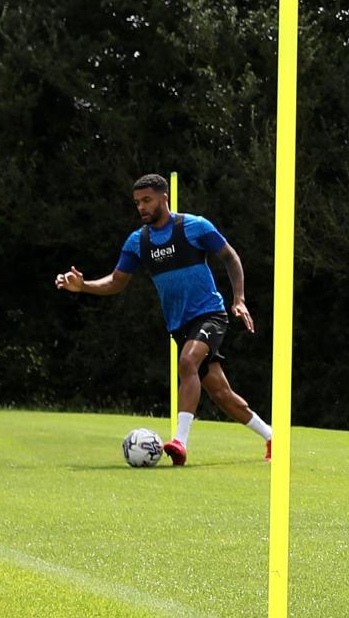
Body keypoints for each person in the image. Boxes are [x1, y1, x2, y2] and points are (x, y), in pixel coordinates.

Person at [55, 174, 272, 466]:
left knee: (187, 362)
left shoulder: (194, 227)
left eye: (147, 200)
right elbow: (117, 281)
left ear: (164, 198)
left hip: (210, 313)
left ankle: (180, 443)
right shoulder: (138, 242)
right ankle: (272, 437)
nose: (141, 207)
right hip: (179, 324)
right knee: (221, 394)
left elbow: (230, 257)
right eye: (137, 203)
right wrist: (83, 286)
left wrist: (239, 299)